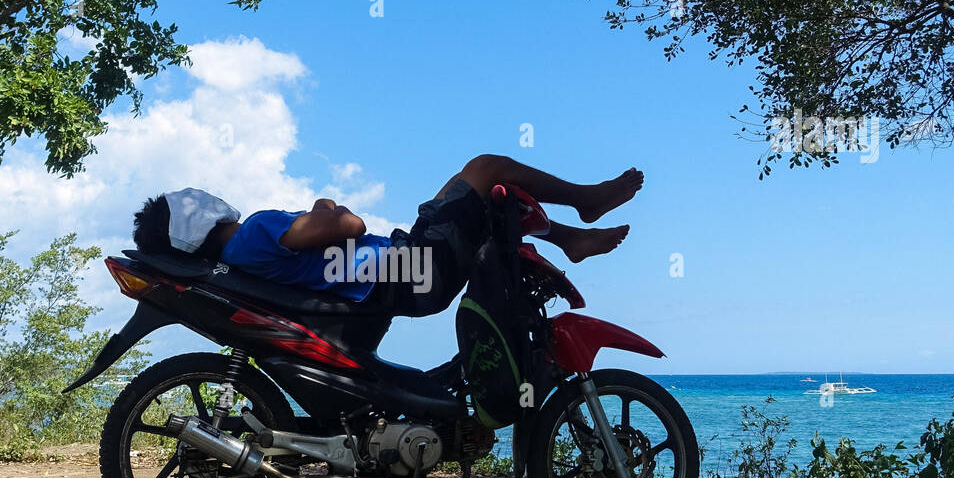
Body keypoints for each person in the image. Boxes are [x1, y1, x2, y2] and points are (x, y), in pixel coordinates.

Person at [133, 155, 643, 317]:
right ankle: (583, 199)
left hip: (401, 282)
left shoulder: (239, 259)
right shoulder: (256, 230)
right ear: (198, 220)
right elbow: (348, 225)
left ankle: (568, 236)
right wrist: (324, 206)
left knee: (480, 198)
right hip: (410, 268)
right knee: (486, 168)